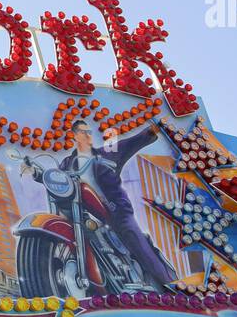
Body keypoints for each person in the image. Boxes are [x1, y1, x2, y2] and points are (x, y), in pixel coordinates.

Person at [59, 119, 176, 290]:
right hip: (87, 215)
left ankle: (173, 287)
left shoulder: (106, 154)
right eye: (84, 132)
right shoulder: (67, 164)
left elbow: (130, 143)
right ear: (74, 136)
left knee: (136, 240)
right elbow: (54, 178)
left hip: (116, 211)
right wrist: (35, 172)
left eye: (89, 132)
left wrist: (152, 130)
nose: (89, 135)